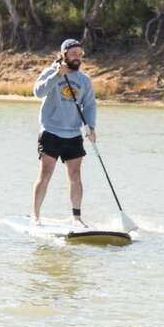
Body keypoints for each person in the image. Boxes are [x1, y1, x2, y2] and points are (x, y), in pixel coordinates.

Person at [32, 38, 97, 225]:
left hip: (73, 134)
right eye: (73, 54)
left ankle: (76, 217)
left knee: (75, 176)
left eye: (80, 54)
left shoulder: (84, 80)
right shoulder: (50, 72)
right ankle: (36, 216)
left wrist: (91, 127)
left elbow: (90, 105)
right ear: (64, 55)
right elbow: (38, 92)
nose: (77, 58)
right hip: (51, 131)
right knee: (45, 175)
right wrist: (56, 76)